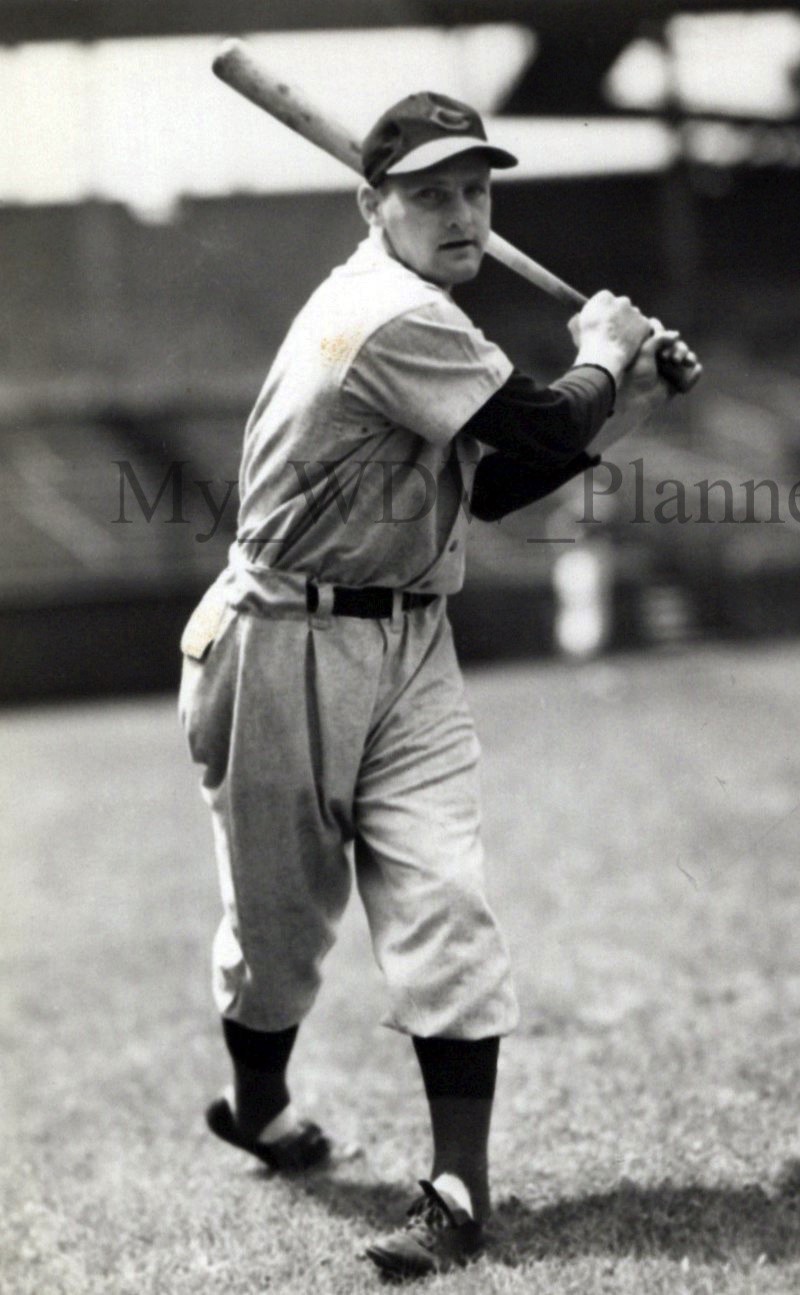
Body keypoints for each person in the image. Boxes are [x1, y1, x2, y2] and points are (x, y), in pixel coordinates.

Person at [179, 90, 694, 1279]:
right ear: (375, 209)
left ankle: (457, 1189)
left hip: (409, 643)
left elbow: (508, 473)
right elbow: (537, 421)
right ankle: (259, 1108)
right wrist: (609, 355)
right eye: (430, 193)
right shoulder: (387, 314)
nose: (462, 213)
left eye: (476, 190)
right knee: (278, 942)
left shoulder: (428, 319)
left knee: (445, 906)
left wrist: (626, 397)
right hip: (279, 643)